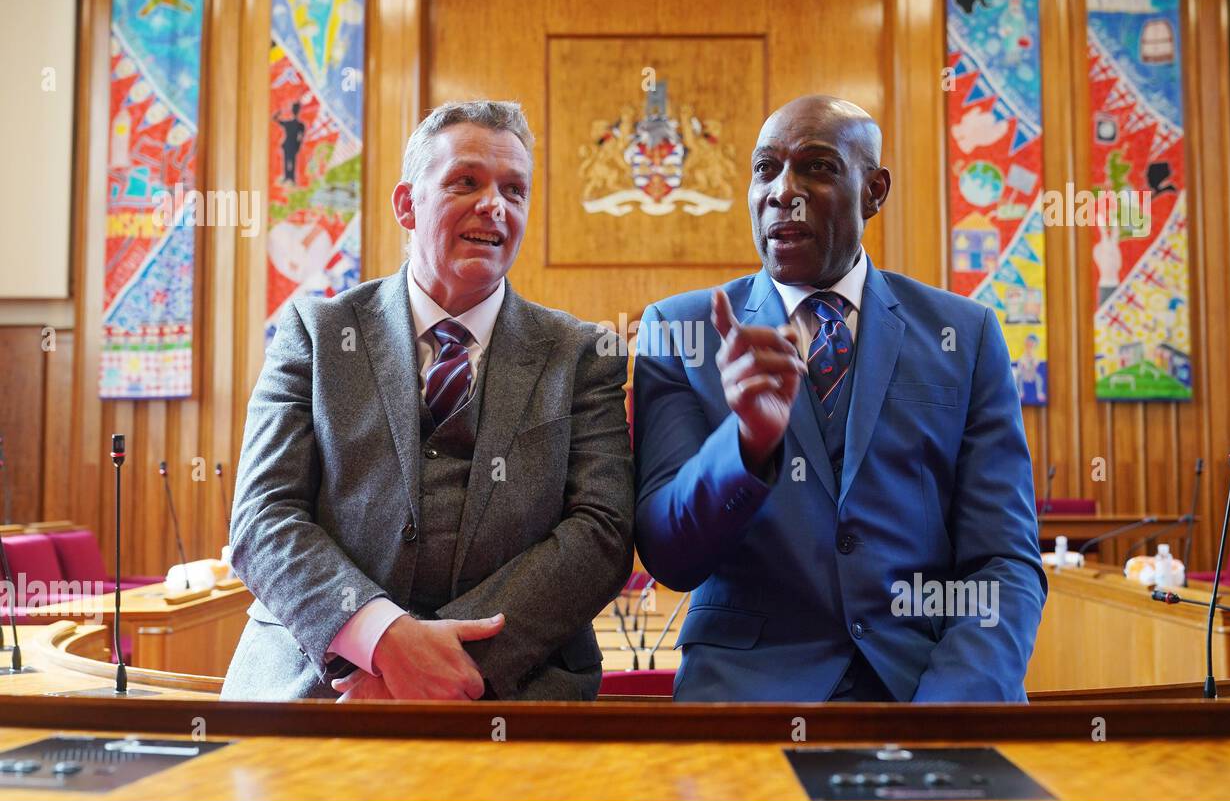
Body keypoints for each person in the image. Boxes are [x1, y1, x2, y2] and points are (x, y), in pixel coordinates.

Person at [633, 94, 1046, 702]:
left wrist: (953, 713)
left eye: (817, 167)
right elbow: (669, 556)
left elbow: (1004, 563)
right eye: (764, 168)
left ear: (875, 191)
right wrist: (744, 449)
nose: (782, 191)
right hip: (746, 703)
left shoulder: (966, 335)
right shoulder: (681, 330)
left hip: (924, 692)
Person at [222, 100, 634, 702]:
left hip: (515, 689)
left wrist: (435, 665)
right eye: (466, 181)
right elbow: (262, 517)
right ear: (406, 204)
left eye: (514, 190)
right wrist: (382, 640)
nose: (495, 204)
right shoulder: (315, 332)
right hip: (317, 684)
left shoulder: (581, 353)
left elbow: (602, 532)